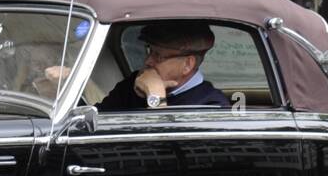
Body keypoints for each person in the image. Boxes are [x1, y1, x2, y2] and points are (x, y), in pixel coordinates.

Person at [95, 21, 230, 111]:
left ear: (187, 64)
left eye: (158, 55)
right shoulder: (132, 85)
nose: (148, 61)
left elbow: (164, 150)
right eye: (150, 51)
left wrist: (155, 96)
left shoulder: (212, 105)